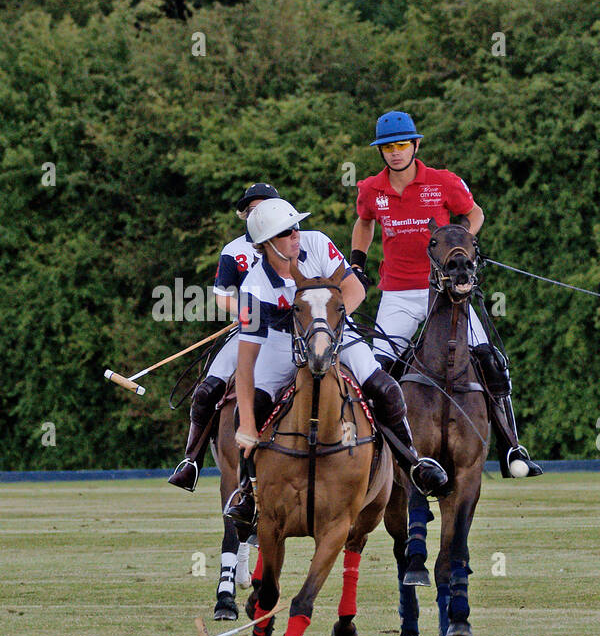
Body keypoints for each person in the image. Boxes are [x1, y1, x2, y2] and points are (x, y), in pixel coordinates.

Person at [221, 197, 449, 533]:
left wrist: (329, 328)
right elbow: (245, 362)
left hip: (335, 330)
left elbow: (354, 291)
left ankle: (413, 463)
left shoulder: (317, 243)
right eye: (286, 233)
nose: (296, 236)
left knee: (383, 387)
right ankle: (248, 495)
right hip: (280, 344)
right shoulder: (254, 288)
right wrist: (248, 427)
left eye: (295, 227)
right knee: (248, 409)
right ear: (266, 244)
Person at [350, 110, 542, 478]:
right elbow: (364, 221)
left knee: (490, 359)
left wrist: (462, 246)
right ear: (381, 151)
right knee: (374, 370)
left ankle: (511, 446)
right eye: (388, 147)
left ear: (416, 145)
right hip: (398, 294)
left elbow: (474, 213)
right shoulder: (371, 189)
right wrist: (357, 263)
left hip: (446, 294)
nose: (395, 153)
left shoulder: (443, 182)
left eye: (402, 145)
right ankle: (374, 452)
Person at [167, 182, 280, 491]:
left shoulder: (293, 242)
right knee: (205, 392)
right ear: (244, 215)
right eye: (252, 210)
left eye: (265, 209)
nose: (258, 215)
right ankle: (191, 461)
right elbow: (221, 296)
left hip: (288, 334)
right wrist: (247, 312)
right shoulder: (233, 251)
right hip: (248, 331)